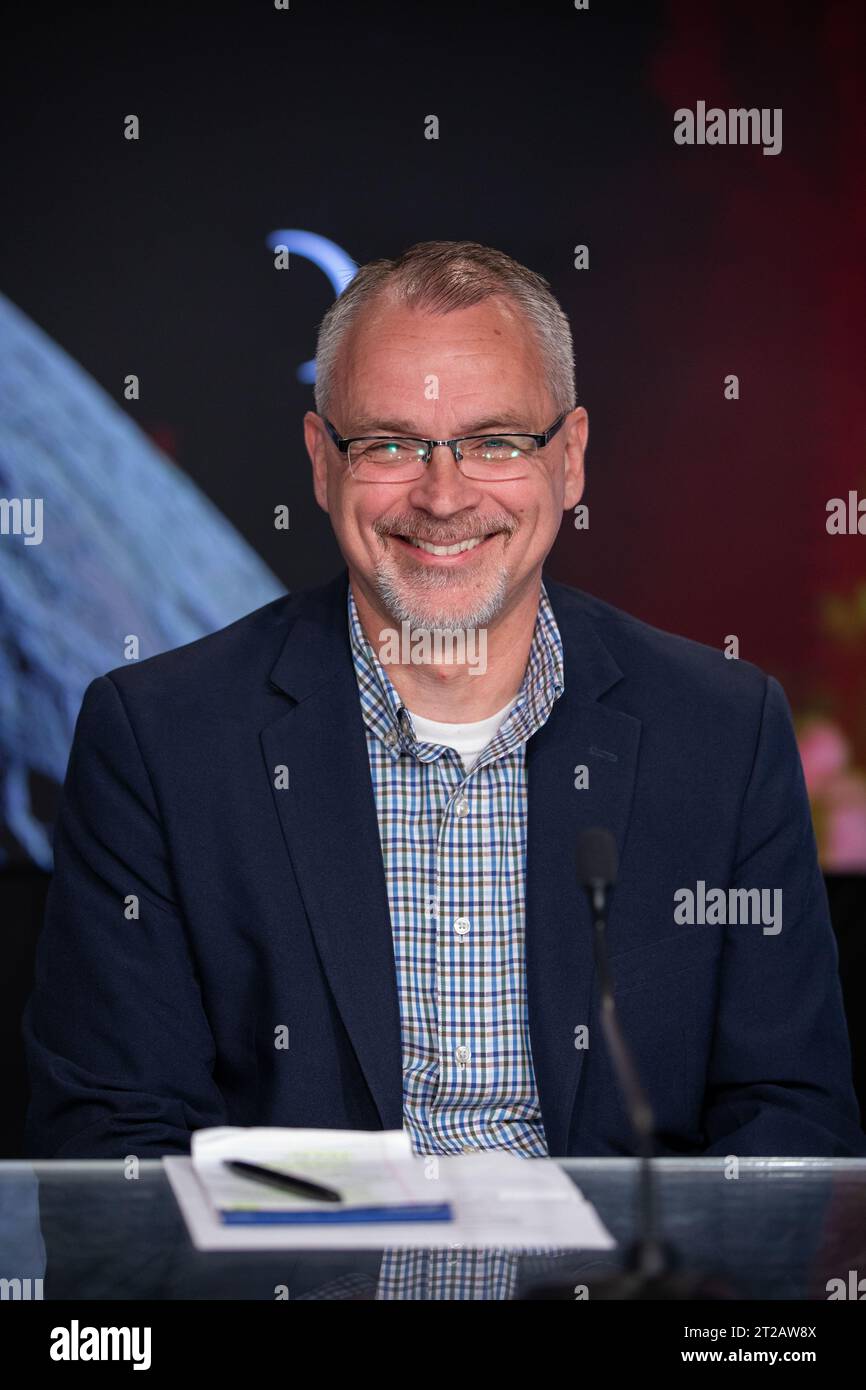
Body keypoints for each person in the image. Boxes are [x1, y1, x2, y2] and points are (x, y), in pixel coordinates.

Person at [23, 240, 866, 1159]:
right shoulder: (157, 739)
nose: (443, 495)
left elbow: (791, 1125)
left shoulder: (724, 734)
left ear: (571, 458)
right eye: (389, 443)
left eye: (495, 441)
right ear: (321, 461)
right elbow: (112, 1144)